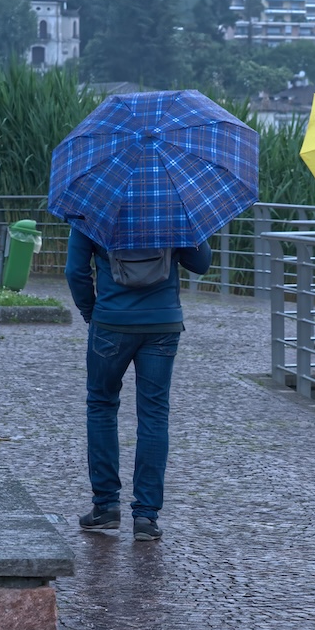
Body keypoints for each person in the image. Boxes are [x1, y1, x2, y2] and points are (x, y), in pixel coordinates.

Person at [65, 228, 212, 542]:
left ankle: (105, 506)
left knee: (102, 406)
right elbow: (201, 264)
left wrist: (92, 313)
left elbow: (75, 271)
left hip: (110, 322)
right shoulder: (172, 205)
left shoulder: (95, 204)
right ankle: (146, 516)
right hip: (162, 323)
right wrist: (194, 228)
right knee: (154, 415)